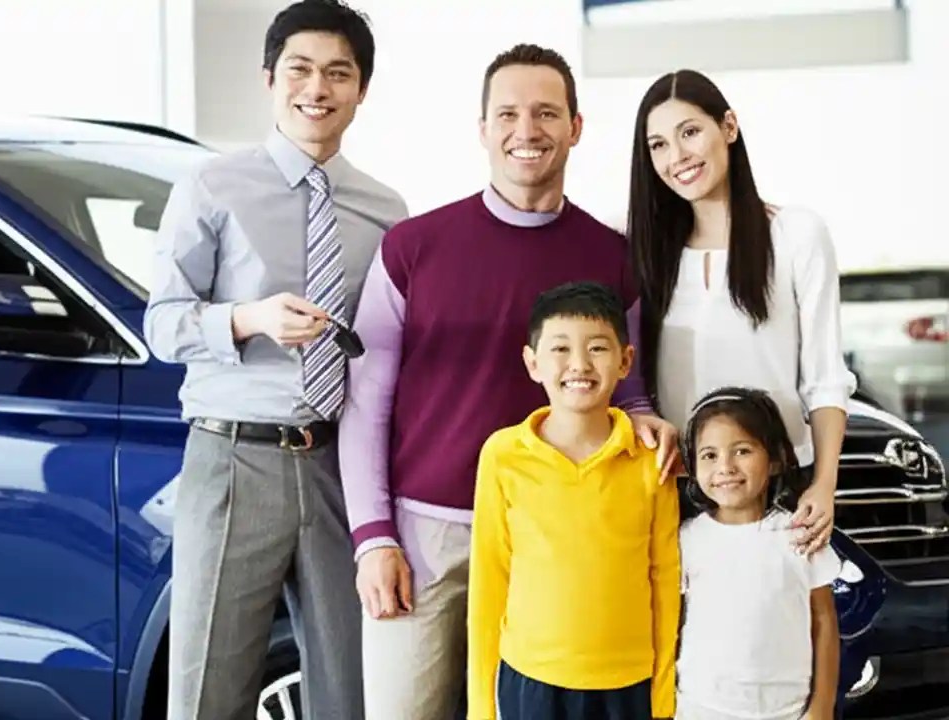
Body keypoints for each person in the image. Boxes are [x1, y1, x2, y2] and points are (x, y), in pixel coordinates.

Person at [338, 43, 678, 720]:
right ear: (483, 128)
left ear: (575, 128)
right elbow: (366, 401)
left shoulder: (613, 256)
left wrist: (647, 420)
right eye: (509, 114)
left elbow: (627, 384)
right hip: (427, 537)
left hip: (560, 540)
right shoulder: (412, 247)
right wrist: (373, 537)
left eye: (547, 113)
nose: (528, 130)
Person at [142, 1, 407, 718]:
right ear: (269, 79)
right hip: (235, 460)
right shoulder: (213, 186)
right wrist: (247, 319)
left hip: (338, 467)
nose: (317, 88)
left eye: (338, 73)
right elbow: (161, 323)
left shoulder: (387, 211)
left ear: (361, 89)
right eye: (300, 69)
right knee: (209, 692)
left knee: (352, 693)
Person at [626, 69, 856, 557]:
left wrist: (824, 485)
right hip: (679, 487)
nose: (677, 156)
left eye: (690, 132)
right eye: (658, 145)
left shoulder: (796, 234)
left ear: (728, 127)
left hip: (778, 486)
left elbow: (825, 378)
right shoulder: (643, 249)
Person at [467, 281, 681, 720]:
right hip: (531, 679)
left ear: (625, 361)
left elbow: (665, 579)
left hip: (628, 683)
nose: (579, 364)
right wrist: (481, 708)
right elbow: (488, 582)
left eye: (598, 348)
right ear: (533, 363)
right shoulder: (503, 455)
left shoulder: (650, 458)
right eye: (560, 349)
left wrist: (663, 699)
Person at [675, 386, 842, 720]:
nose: (725, 467)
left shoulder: (800, 534)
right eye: (709, 455)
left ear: (775, 459)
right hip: (699, 709)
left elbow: (824, 621)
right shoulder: (686, 540)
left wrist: (822, 707)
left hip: (787, 712)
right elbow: (673, 625)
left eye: (742, 451)